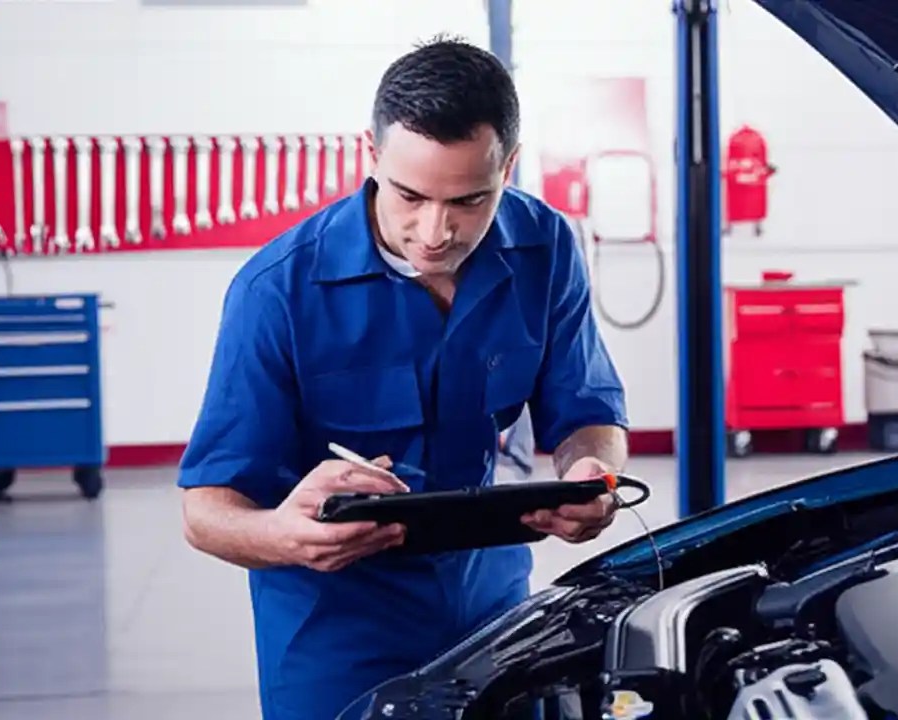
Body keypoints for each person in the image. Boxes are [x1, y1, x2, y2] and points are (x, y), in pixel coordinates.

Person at [176, 36, 629, 720]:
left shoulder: (546, 249)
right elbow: (206, 512)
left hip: (493, 601)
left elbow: (587, 412)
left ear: (508, 166)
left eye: (470, 201)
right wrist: (283, 535)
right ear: (371, 154)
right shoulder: (277, 291)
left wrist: (593, 472)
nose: (435, 231)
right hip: (335, 626)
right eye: (410, 195)